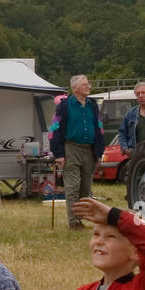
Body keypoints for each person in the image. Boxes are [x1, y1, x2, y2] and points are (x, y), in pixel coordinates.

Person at [49, 75, 104, 229]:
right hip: (71, 148)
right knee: (72, 187)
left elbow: (99, 128)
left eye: (88, 84)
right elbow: (54, 129)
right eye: (84, 84)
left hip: (90, 149)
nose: (88, 86)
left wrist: (99, 152)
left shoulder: (92, 105)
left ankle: (80, 217)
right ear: (75, 88)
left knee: (85, 189)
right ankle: (74, 222)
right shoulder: (64, 106)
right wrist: (58, 154)